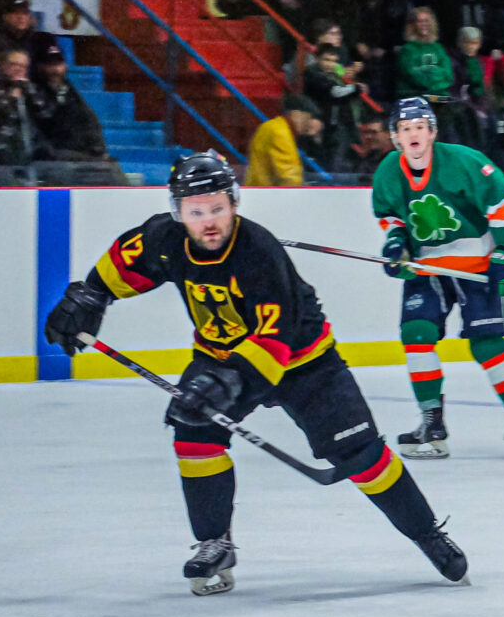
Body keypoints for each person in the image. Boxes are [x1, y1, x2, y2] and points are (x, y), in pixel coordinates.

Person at [39, 152, 467, 594]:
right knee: (193, 436)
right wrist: (89, 298)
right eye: (196, 212)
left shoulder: (259, 252)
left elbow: (273, 340)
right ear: (177, 211)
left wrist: (223, 383)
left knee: (361, 455)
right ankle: (214, 543)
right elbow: (121, 263)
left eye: (218, 209)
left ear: (234, 203)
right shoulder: (163, 239)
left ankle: (426, 532)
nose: (208, 222)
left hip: (304, 363)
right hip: (219, 357)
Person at [374, 97, 504, 458]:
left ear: (432, 132)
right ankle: (431, 422)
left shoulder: (465, 162)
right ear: (396, 137)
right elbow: (393, 219)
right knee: (416, 334)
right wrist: (395, 246)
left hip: (477, 265)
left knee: (487, 346)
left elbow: (502, 204)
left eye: (420, 127)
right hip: (427, 268)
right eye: (406, 129)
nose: (414, 134)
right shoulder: (389, 171)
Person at [245, 94, 323, 186]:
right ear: (297, 114)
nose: (308, 124)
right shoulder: (280, 132)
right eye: (308, 118)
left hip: (259, 191)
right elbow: (290, 177)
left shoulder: (270, 126)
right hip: (269, 195)